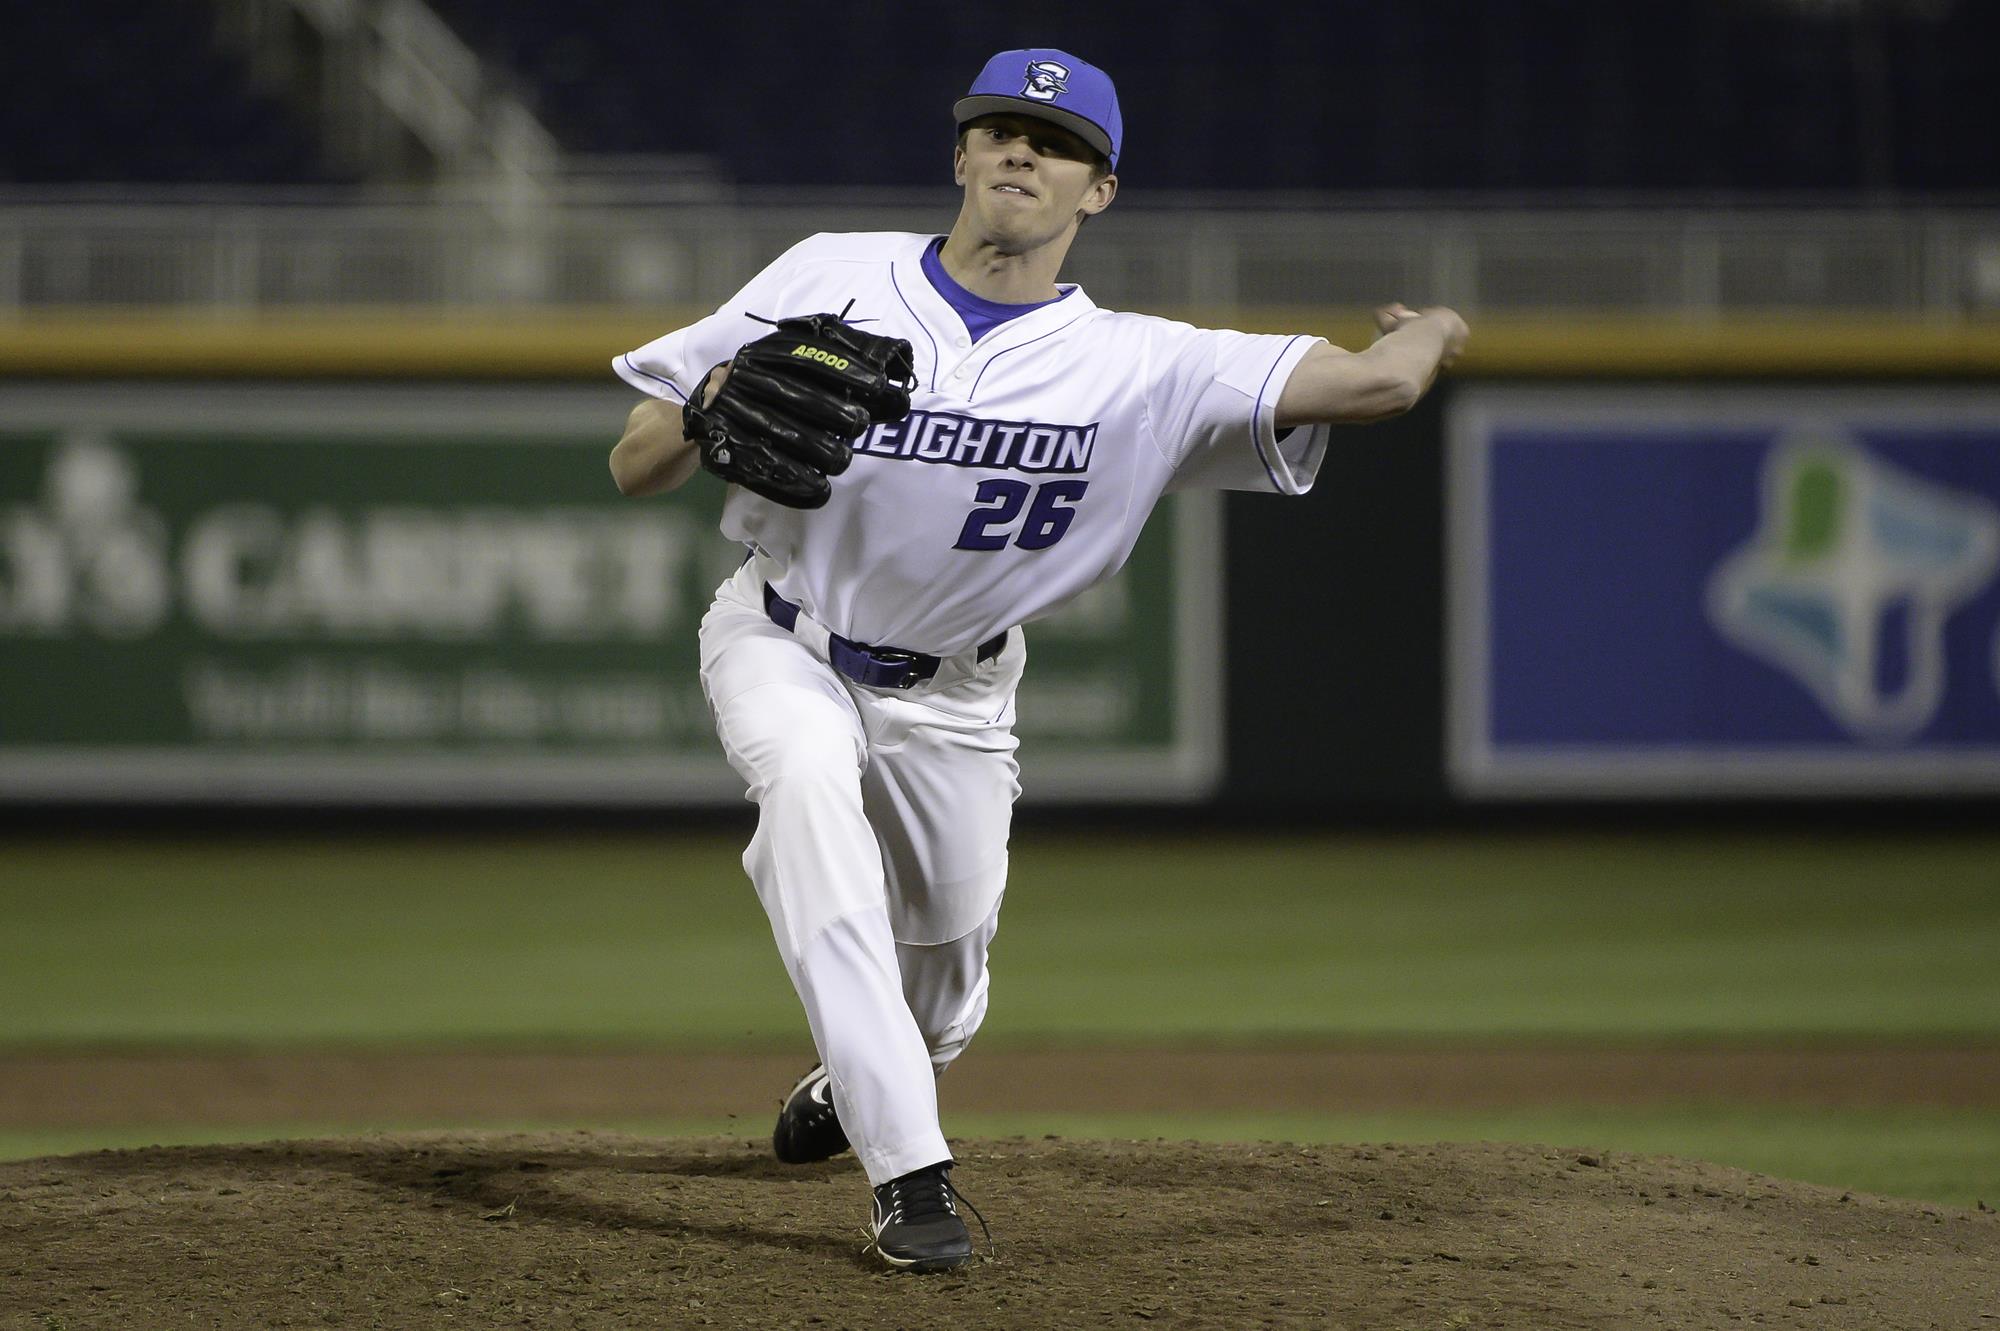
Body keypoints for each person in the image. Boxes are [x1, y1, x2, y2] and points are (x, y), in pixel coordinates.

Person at [607, 47, 1468, 1273]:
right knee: (804, 802)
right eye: (999, 128)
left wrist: (1430, 325)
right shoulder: (829, 272)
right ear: (959, 154)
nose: (1022, 150)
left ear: (1097, 192)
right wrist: (698, 414)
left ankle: (864, 1077)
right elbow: (635, 456)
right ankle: (909, 1175)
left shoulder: (1144, 367)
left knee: (949, 989)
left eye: (1055, 143)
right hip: (779, 636)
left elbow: (1379, 385)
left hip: (957, 698)